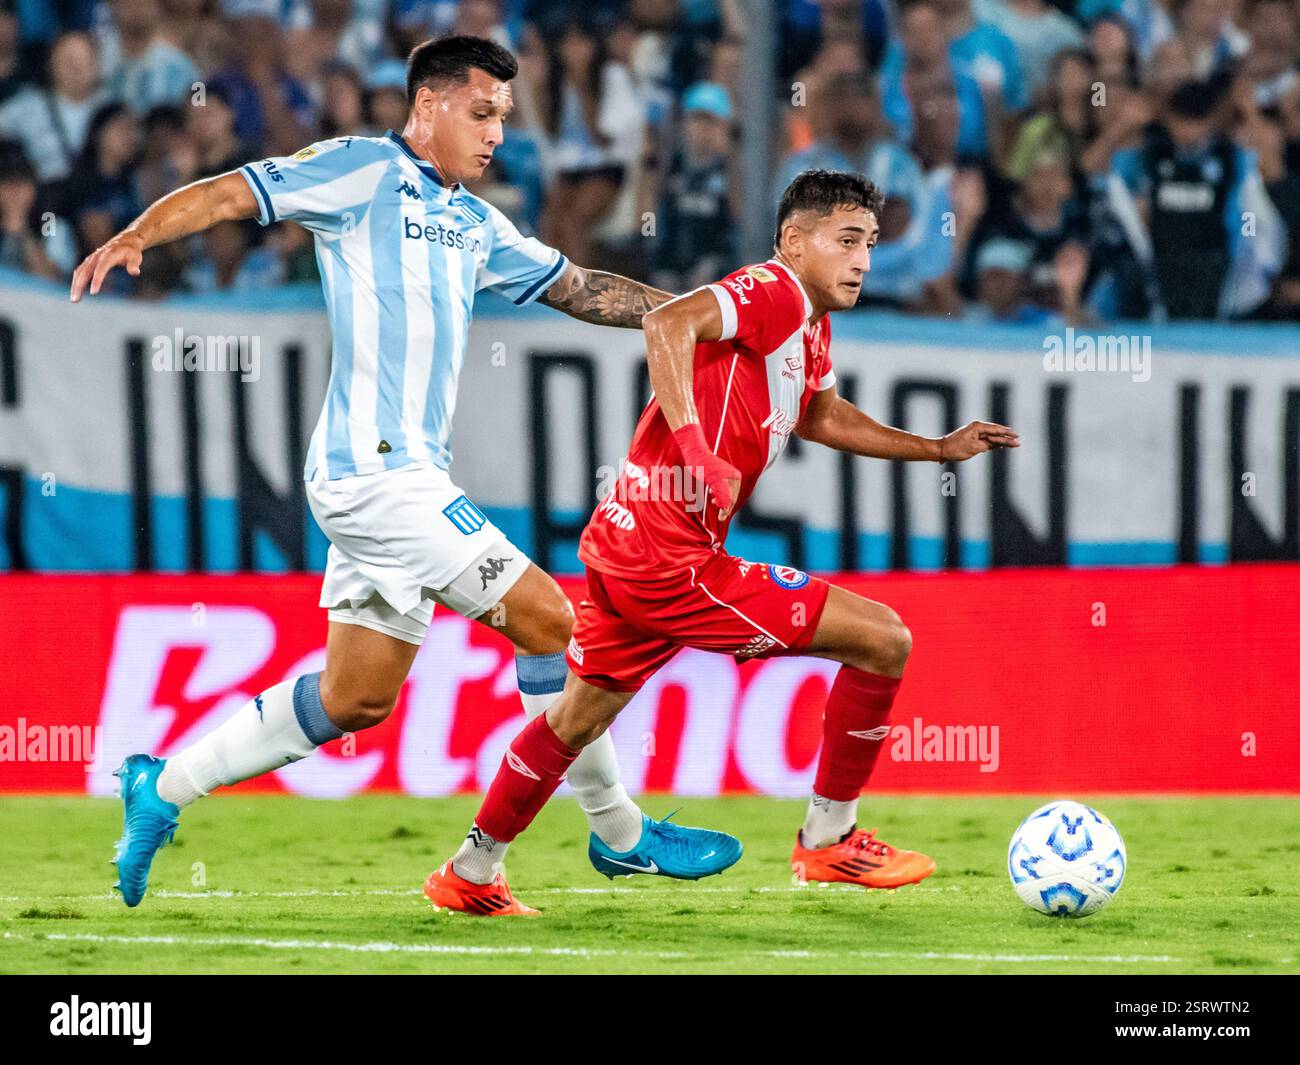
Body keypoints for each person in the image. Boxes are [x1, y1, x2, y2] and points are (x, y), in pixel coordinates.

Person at [69, 34, 740, 908]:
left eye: (504, 114)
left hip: (395, 482)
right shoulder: (360, 171)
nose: (498, 133)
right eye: (482, 111)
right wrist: (139, 232)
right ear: (428, 107)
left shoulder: (474, 220)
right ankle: (620, 833)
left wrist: (712, 314)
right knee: (553, 621)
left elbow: (580, 289)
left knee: (354, 699)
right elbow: (234, 191)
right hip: (376, 476)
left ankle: (161, 789)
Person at [426, 170, 1021, 916]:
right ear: (793, 243)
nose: (863, 259)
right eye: (846, 241)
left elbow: (824, 418)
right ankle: (829, 839)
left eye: (869, 242)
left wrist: (935, 449)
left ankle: (471, 871)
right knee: (884, 638)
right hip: (671, 558)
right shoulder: (771, 290)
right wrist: (696, 446)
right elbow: (667, 323)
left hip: (627, 543)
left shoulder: (809, 321)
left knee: (573, 720)